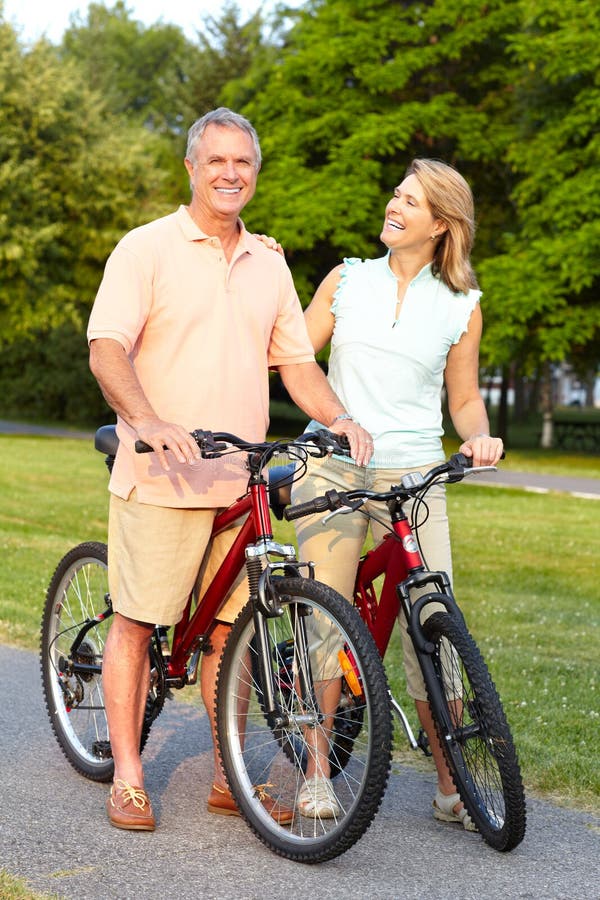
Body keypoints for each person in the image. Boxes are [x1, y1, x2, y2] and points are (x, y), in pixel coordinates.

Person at [86, 107, 373, 832]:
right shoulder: (146, 248)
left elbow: (296, 364)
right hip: (161, 479)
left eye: (242, 163)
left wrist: (337, 417)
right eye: (216, 160)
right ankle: (127, 776)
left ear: (255, 173)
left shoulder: (269, 262)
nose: (229, 173)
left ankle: (228, 776)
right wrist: (147, 422)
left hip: (240, 487)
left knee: (230, 633)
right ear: (191, 167)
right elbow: (106, 347)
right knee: (136, 622)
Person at [290, 158, 504, 828]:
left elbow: (464, 399)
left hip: (413, 475)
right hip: (331, 464)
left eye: (409, 201)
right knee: (326, 614)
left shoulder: (461, 305)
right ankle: (318, 771)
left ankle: (454, 784)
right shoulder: (346, 280)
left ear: (441, 224)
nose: (393, 205)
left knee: (432, 623)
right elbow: (292, 354)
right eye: (395, 194)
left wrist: (481, 436)